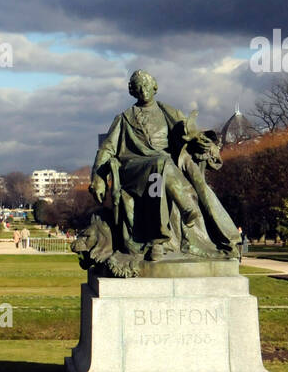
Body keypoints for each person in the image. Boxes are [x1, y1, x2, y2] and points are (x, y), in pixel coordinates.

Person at [90, 70, 238, 261]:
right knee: (160, 163)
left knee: (160, 170)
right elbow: (107, 149)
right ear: (133, 91)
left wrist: (201, 143)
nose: (143, 90)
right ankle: (185, 209)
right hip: (134, 170)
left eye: (146, 86)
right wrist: (98, 178)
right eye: (138, 87)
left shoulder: (170, 113)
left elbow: (191, 135)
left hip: (163, 171)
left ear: (155, 87)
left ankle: (158, 241)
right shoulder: (124, 118)